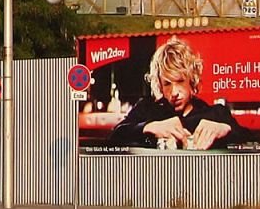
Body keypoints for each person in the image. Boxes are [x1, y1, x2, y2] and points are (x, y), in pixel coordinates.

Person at [106, 36, 252, 151]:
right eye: (167, 84)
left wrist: (225, 129)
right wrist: (150, 127)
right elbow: (114, 137)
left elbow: (253, 139)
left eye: (180, 81)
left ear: (192, 79)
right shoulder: (146, 109)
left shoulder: (216, 113)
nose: (174, 92)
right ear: (159, 85)